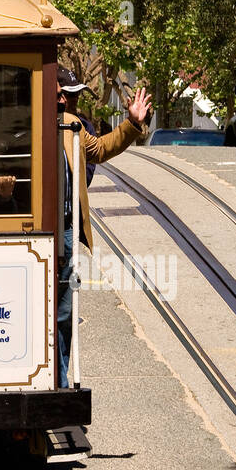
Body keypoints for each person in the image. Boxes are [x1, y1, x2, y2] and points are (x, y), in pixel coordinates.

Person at [57, 79, 151, 388]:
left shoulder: (71, 125)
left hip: (66, 230)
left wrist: (132, 124)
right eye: (61, 93)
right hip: (32, 229)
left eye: (68, 95)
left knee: (64, 311)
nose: (65, 100)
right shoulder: (22, 121)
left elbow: (99, 149)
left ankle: (58, 382)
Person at [57, 66, 97, 188]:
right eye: (70, 94)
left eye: (77, 93)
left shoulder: (85, 126)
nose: (75, 99)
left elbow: (99, 151)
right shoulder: (43, 126)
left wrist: (132, 124)